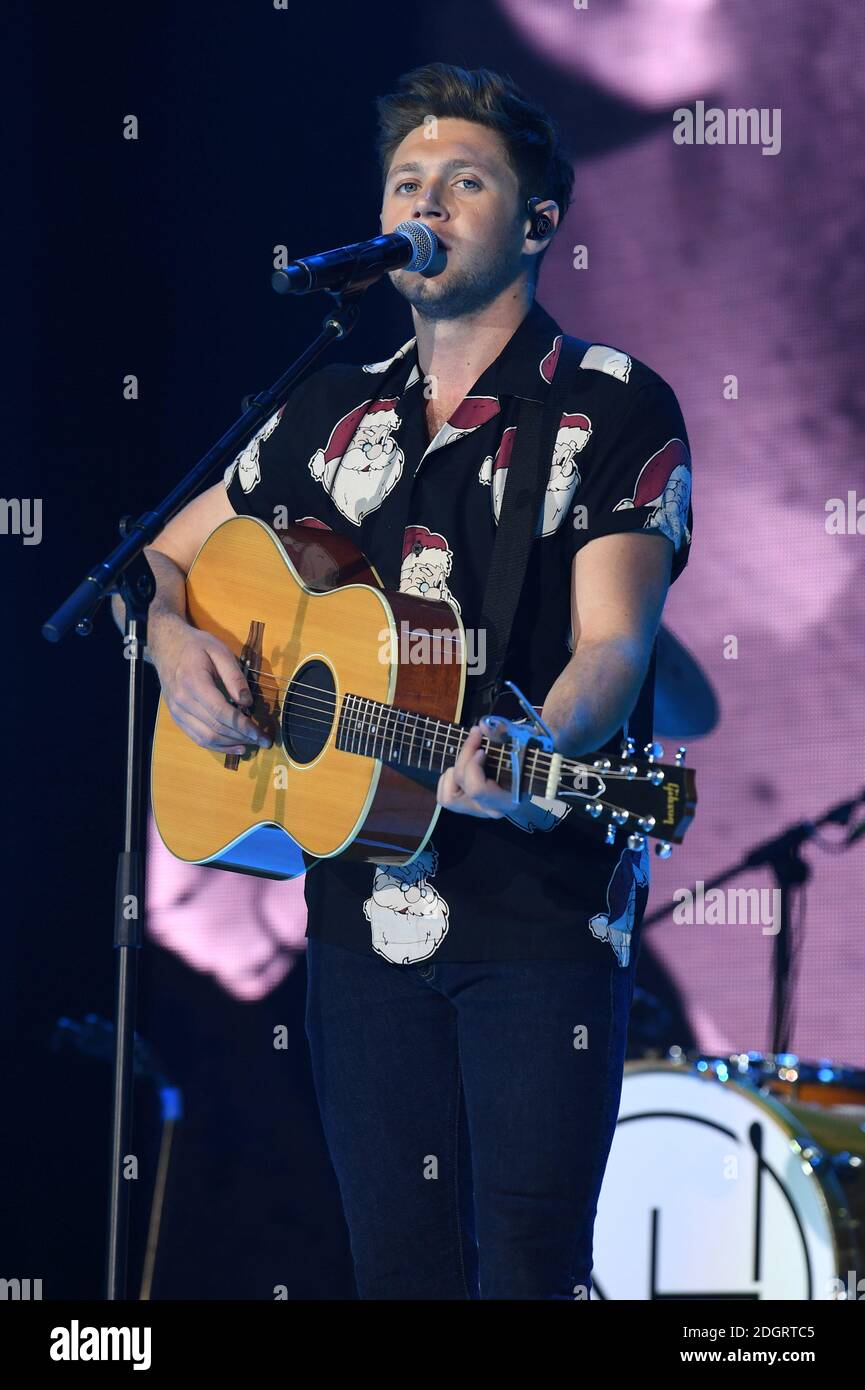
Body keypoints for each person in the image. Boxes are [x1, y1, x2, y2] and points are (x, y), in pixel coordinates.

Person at [124, 63, 693, 1299]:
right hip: (357, 911)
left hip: (538, 910)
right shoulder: (324, 408)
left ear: (537, 222)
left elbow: (613, 647)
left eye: (464, 181)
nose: (425, 202)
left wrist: (542, 741)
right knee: (395, 1270)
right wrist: (174, 643)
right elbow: (157, 563)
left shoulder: (610, 407)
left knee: (527, 1271)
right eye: (405, 182)